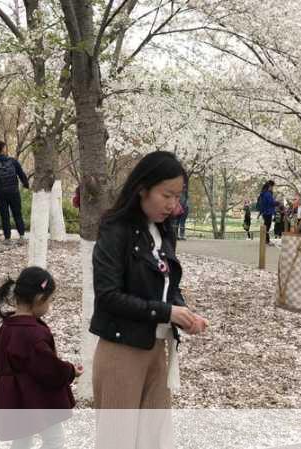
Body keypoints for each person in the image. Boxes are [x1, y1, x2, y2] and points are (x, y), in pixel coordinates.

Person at [91, 151, 208, 449]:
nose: (173, 205)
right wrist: (167, 312)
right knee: (117, 441)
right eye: (166, 195)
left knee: (154, 440)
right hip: (121, 351)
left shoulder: (163, 233)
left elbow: (167, 285)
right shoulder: (114, 230)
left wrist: (184, 312)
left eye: (177, 196)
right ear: (142, 189)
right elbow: (108, 296)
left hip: (157, 349)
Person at [0, 266, 84, 448]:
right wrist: (70, 371)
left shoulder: (7, 327)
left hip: (14, 398)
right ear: (39, 299)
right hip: (37, 398)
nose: (49, 306)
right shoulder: (33, 334)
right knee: (54, 440)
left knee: (22, 440)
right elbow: (49, 368)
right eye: (50, 301)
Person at [0, 140, 29, 243]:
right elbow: (21, 174)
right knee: (17, 214)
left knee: (4, 215)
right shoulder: (12, 161)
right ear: (3, 149)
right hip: (14, 191)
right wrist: (26, 185)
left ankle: (7, 238)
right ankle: (22, 237)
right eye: (5, 147)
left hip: (0, 194)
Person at [257, 180, 276, 245]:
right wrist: (277, 203)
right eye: (272, 187)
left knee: (266, 226)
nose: (272, 188)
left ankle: (266, 240)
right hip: (268, 212)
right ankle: (267, 240)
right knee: (267, 226)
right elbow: (271, 203)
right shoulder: (268, 194)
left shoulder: (263, 193)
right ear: (269, 186)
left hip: (265, 212)